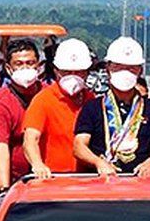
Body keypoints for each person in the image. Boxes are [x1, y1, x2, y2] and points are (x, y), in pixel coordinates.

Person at [74, 37, 150, 177]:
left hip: (141, 182)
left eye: (131, 68)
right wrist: (97, 162)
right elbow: (79, 146)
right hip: (102, 182)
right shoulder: (92, 108)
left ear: (140, 70)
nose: (125, 72)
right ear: (108, 68)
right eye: (118, 67)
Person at [23, 38, 96, 178]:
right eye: (67, 72)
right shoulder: (43, 100)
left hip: (87, 179)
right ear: (56, 71)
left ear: (87, 72)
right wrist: (37, 164)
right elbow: (30, 139)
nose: (73, 77)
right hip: (54, 179)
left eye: (79, 72)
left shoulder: (91, 100)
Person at [0, 38, 44, 191]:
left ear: (38, 66)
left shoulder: (48, 95)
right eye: (19, 64)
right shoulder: (1, 102)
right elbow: (0, 148)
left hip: (48, 180)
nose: (25, 68)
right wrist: (5, 190)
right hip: (16, 184)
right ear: (8, 68)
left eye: (30, 63)